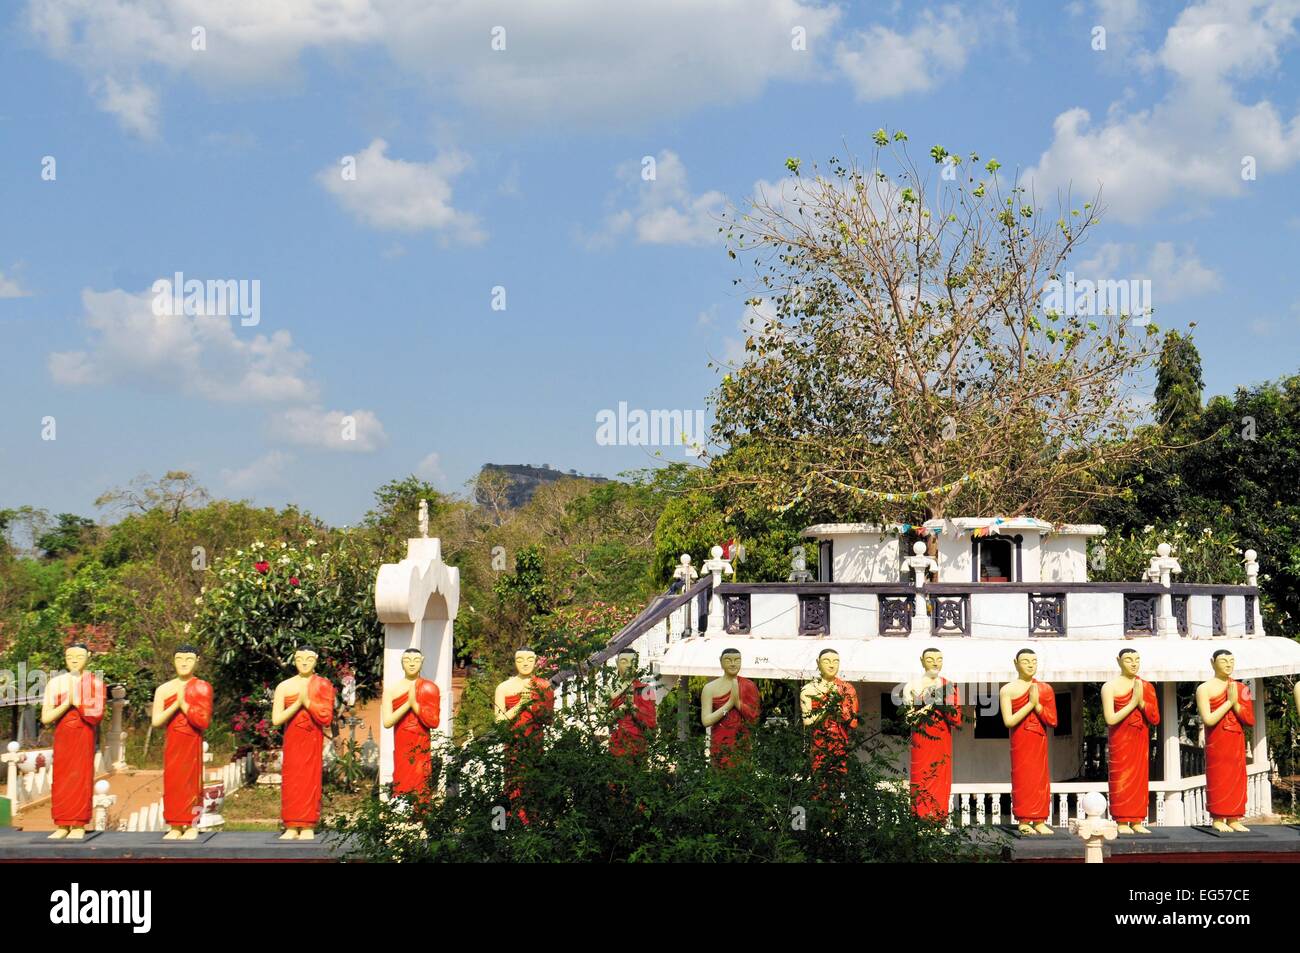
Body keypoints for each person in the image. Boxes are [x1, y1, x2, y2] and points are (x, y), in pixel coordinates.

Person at [41, 643, 106, 840]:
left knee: (81, 776)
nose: (75, 660)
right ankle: (62, 822)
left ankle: (78, 822)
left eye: (79, 656)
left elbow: (96, 715)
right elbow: (46, 717)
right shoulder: (55, 683)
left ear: (88, 657)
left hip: (83, 735)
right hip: (63, 736)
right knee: (61, 777)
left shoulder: (95, 683)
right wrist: (68, 702)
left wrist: (77, 702)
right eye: (70, 656)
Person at [271, 646, 335, 840]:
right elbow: (276, 719)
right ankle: (291, 824)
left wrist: (307, 702)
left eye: (309, 658)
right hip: (292, 742)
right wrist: (299, 703)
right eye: (300, 658)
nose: (304, 662)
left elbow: (326, 717)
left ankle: (307, 824)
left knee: (310, 780)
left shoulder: (323, 685)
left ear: (316, 661)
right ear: (294, 660)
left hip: (312, 741)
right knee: (292, 781)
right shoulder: (284, 686)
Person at [152, 645, 213, 839]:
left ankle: (192, 824)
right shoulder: (164, 689)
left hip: (192, 742)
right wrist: (175, 705)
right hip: (173, 744)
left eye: (188, 659)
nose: (184, 663)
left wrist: (184, 705)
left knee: (192, 784)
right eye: (179, 659)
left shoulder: (202, 687)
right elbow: (156, 721)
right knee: (173, 783)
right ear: (173, 661)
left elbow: (203, 721)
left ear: (197, 660)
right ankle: (175, 825)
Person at [1101, 649, 1159, 834]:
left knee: (1140, 780)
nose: (1134, 663)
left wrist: (1141, 703)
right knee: (1121, 779)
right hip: (1121, 740)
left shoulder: (1146, 686)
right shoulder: (1109, 687)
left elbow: (1155, 718)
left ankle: (1137, 820)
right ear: (1119, 661)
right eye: (1128, 660)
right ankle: (1121, 820)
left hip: (1139, 739)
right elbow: (1110, 719)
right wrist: (1133, 702)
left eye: (1137, 660)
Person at [1000, 649, 1057, 835]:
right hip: (1020, 741)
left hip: (1038, 740)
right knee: (1022, 778)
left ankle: (1040, 819)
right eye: (1026, 661)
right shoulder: (1007, 690)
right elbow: (1009, 721)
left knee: (1040, 779)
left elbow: (1052, 720)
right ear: (1016, 663)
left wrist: (1038, 705)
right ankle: (1024, 819)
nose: (1031, 665)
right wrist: (1030, 704)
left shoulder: (1045, 689)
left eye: (1034, 661)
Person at [1197, 650, 1255, 832]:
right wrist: (1229, 702)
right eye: (1224, 661)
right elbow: (1209, 719)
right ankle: (1218, 816)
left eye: (1232, 661)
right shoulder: (1204, 689)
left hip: (1236, 739)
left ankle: (1234, 817)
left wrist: (1236, 703)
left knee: (1237, 779)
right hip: (1217, 742)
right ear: (1212, 662)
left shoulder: (1242, 688)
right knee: (1219, 777)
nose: (1229, 665)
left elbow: (1250, 720)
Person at [903, 647, 962, 819]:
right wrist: (927, 706)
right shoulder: (912, 686)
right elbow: (909, 719)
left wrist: (942, 701)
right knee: (921, 777)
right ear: (921, 660)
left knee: (940, 777)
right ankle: (921, 819)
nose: (935, 663)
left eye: (939, 659)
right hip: (921, 738)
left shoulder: (948, 686)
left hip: (942, 738)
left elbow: (956, 719)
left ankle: (938, 819)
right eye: (930, 659)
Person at [381, 648, 441, 800]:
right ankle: (402, 811)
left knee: (421, 775)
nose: (412, 664)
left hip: (421, 742)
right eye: (407, 660)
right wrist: (409, 703)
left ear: (422, 662)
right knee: (402, 776)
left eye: (416, 660)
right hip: (402, 742)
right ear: (402, 664)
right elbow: (387, 722)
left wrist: (415, 705)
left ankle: (421, 813)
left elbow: (434, 721)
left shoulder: (429, 688)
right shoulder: (391, 690)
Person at [799, 649, 859, 777]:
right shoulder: (809, 690)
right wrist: (827, 707)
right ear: (818, 663)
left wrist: (842, 712)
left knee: (839, 780)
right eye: (826, 661)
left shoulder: (846, 689)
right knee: (820, 780)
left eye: (835, 662)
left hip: (840, 744)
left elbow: (853, 722)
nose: (831, 665)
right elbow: (808, 722)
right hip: (819, 744)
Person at [700, 648, 760, 767]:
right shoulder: (710, 688)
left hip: (741, 742)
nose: (733, 664)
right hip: (720, 742)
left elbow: (755, 719)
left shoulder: (749, 686)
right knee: (720, 779)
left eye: (737, 660)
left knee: (741, 778)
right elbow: (706, 721)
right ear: (721, 662)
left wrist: (737, 703)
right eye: (728, 660)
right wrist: (729, 704)